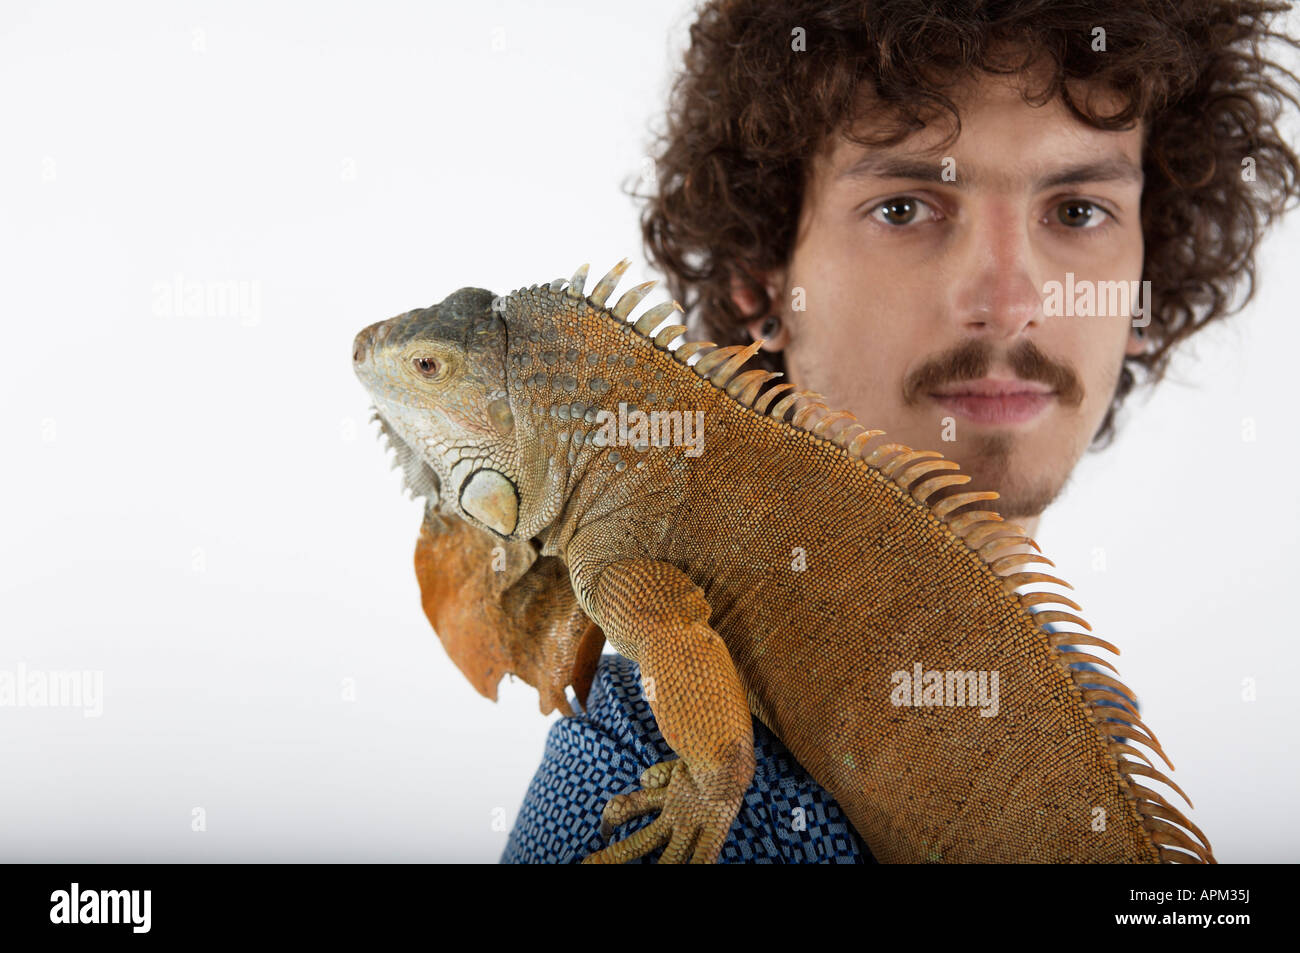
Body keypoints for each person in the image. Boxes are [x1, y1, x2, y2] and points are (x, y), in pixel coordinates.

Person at [502, 0, 1300, 863]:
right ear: (760, 280)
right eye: (905, 208)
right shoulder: (662, 778)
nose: (1007, 301)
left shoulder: (1068, 732)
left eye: (1076, 211)